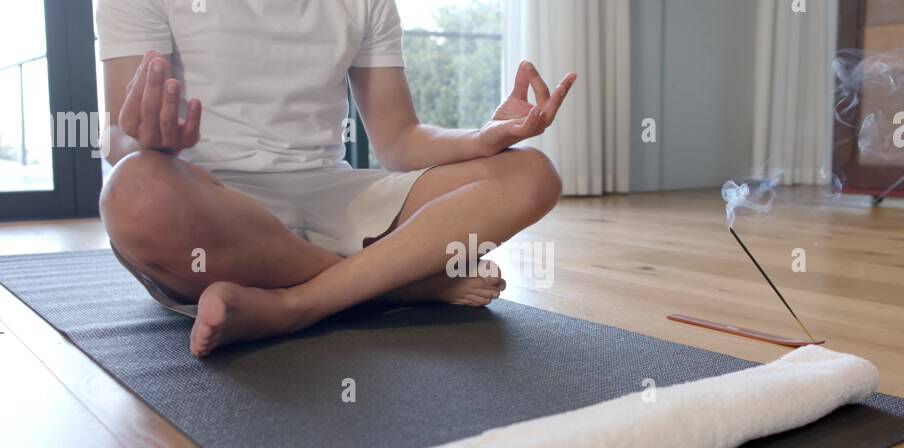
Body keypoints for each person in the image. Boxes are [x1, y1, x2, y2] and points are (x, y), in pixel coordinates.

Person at [96, 0, 576, 357]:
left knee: (530, 174)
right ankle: (401, 285)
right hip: (214, 202)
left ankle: (296, 304)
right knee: (134, 192)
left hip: (329, 191)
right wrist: (148, 139)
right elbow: (120, 140)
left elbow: (399, 139)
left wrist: (483, 137)